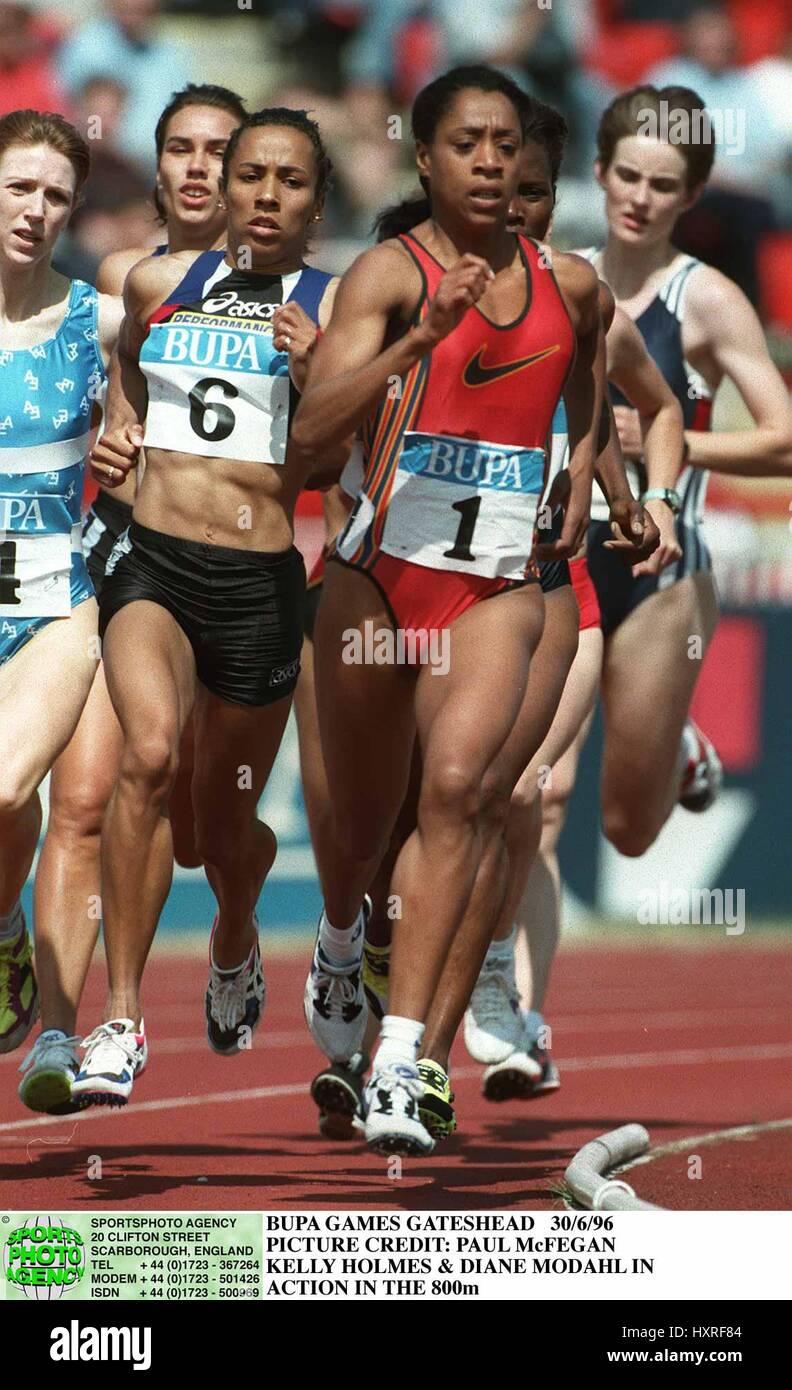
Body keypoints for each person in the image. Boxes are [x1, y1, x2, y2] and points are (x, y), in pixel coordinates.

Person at [292, 64, 606, 1156]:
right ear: (423, 158)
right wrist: (418, 340)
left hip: (498, 586)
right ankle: (342, 943)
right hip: (379, 580)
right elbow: (307, 441)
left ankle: (401, 1059)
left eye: (506, 143)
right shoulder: (387, 272)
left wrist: (596, 479)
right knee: (361, 829)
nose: (489, 160)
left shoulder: (576, 285)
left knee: (467, 791)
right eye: (465, 142)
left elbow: (586, 385)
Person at [472, 81, 792, 1095]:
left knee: (628, 825)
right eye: (628, 177)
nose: (641, 199)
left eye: (664, 185)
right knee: (541, 792)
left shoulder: (704, 298)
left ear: (689, 195)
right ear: (597, 175)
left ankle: (676, 746)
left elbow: (784, 436)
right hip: (563, 561)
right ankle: (524, 1022)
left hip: (660, 569)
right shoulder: (557, 279)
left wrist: (670, 439)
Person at [70, 108, 338, 1109]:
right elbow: (127, 381)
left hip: (258, 586)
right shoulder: (151, 282)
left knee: (214, 838)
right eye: (251, 175)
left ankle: (235, 936)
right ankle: (124, 1018)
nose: (267, 195)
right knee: (143, 758)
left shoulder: (340, 303)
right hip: (156, 566)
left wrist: (322, 372)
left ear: (317, 202)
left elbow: (358, 449)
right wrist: (121, 431)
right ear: (223, 189)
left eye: (292, 181)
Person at [19, 85, 248, 1115]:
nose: (35, 207)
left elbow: (152, 398)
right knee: (56, 798)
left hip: (165, 576)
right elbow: (130, 401)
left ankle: (75, 1029)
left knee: (151, 817)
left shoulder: (116, 302)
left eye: (53, 192)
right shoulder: (126, 282)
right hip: (102, 572)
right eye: (182, 151)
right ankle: (65, 1000)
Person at [0, 109, 122, 1079]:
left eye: (54, 196)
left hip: (50, 601)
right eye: (19, 188)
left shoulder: (100, 319)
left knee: (6, 785)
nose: (36, 211)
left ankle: (7, 927)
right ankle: (8, 932)